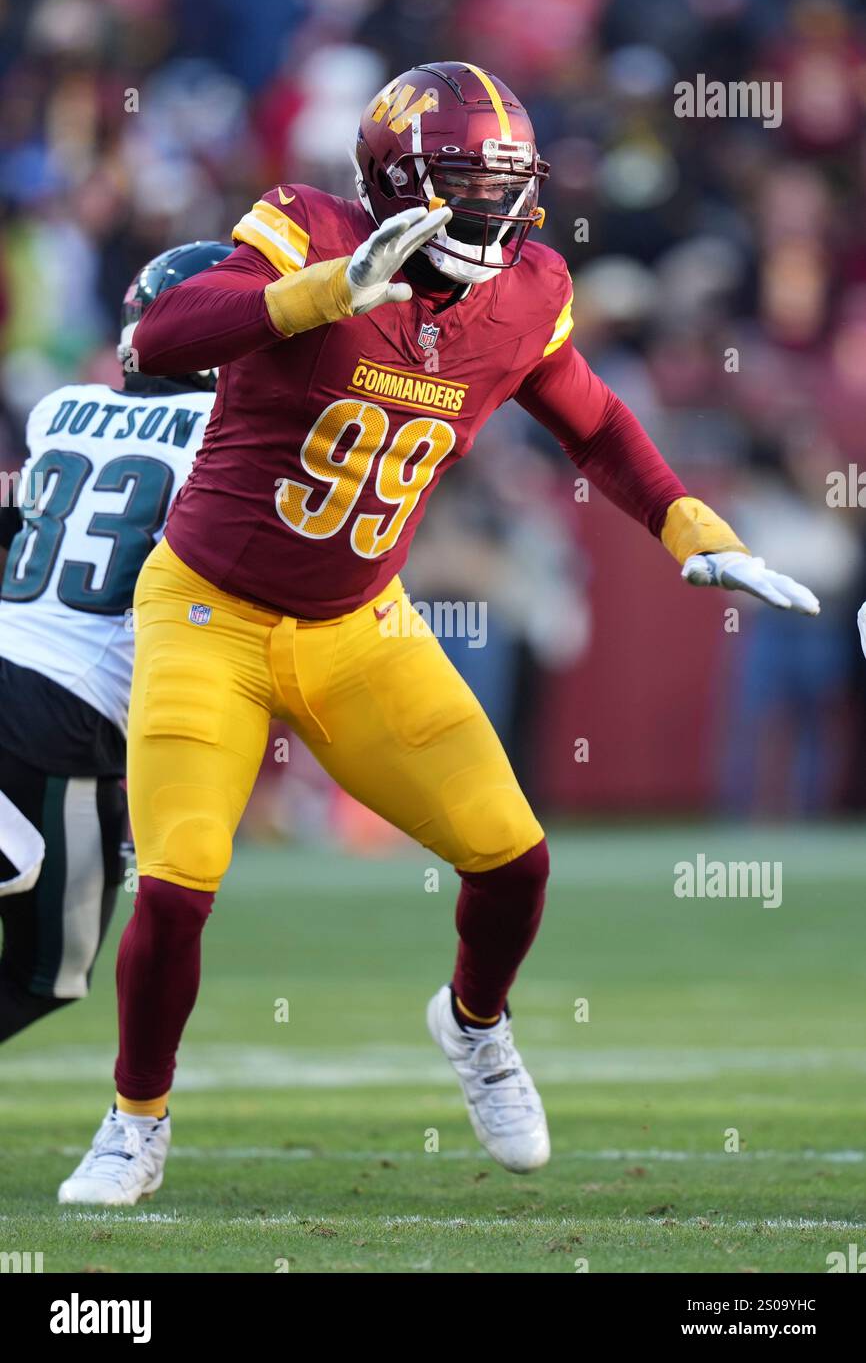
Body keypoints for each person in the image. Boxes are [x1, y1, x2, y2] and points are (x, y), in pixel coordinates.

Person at [58, 63, 818, 1206]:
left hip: (359, 626)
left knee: (513, 859)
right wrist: (330, 290)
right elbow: (162, 334)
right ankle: (134, 1120)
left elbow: (593, 421)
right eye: (467, 180)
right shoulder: (309, 226)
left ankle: (473, 1025)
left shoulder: (526, 289)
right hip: (209, 609)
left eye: (509, 182)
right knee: (176, 883)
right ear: (395, 180)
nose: (495, 207)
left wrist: (686, 525)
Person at [0, 242, 229, 1043]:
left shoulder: (61, 408)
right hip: (70, 711)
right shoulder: (224, 433)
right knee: (44, 967)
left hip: (36, 676)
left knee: (58, 970)